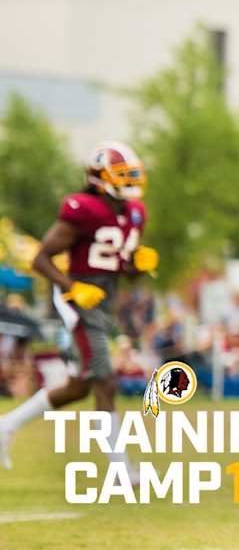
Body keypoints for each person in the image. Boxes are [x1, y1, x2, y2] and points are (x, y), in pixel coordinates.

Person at [0, 142, 158, 476]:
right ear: (100, 178)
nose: (130, 180)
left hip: (104, 298)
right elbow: (40, 260)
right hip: (77, 300)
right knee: (105, 381)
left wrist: (139, 266)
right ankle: (122, 471)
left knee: (79, 387)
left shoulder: (134, 213)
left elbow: (125, 271)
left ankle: (6, 426)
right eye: (122, 174)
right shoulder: (83, 209)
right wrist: (72, 287)